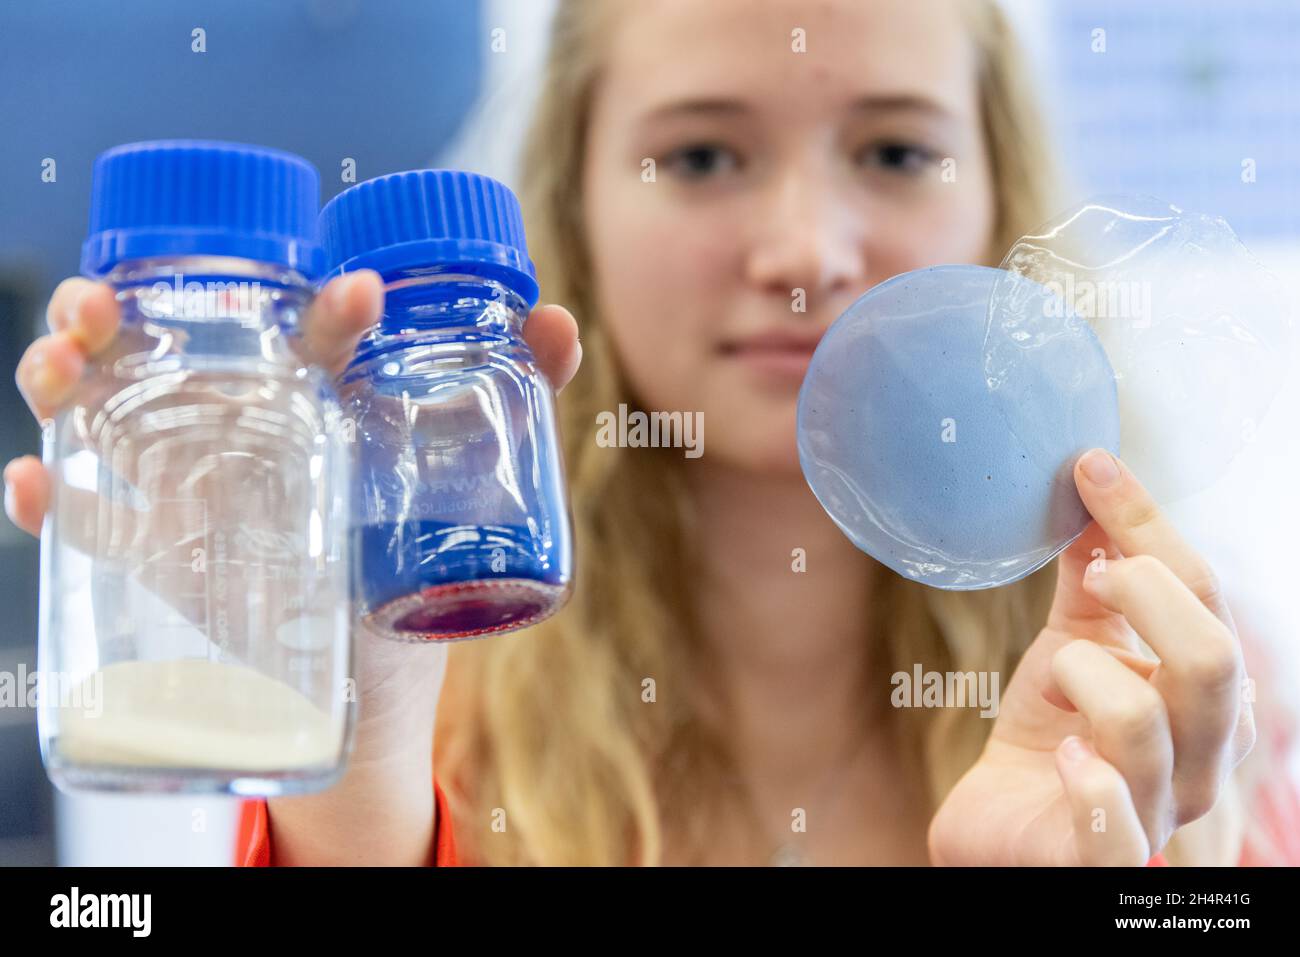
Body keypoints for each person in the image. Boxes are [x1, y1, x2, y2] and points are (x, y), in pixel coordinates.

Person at [8, 0, 1296, 866]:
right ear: (571, 208)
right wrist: (358, 736)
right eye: (700, 158)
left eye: (898, 152)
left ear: (1001, 192)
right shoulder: (439, 689)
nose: (805, 251)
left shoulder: (1172, 697)